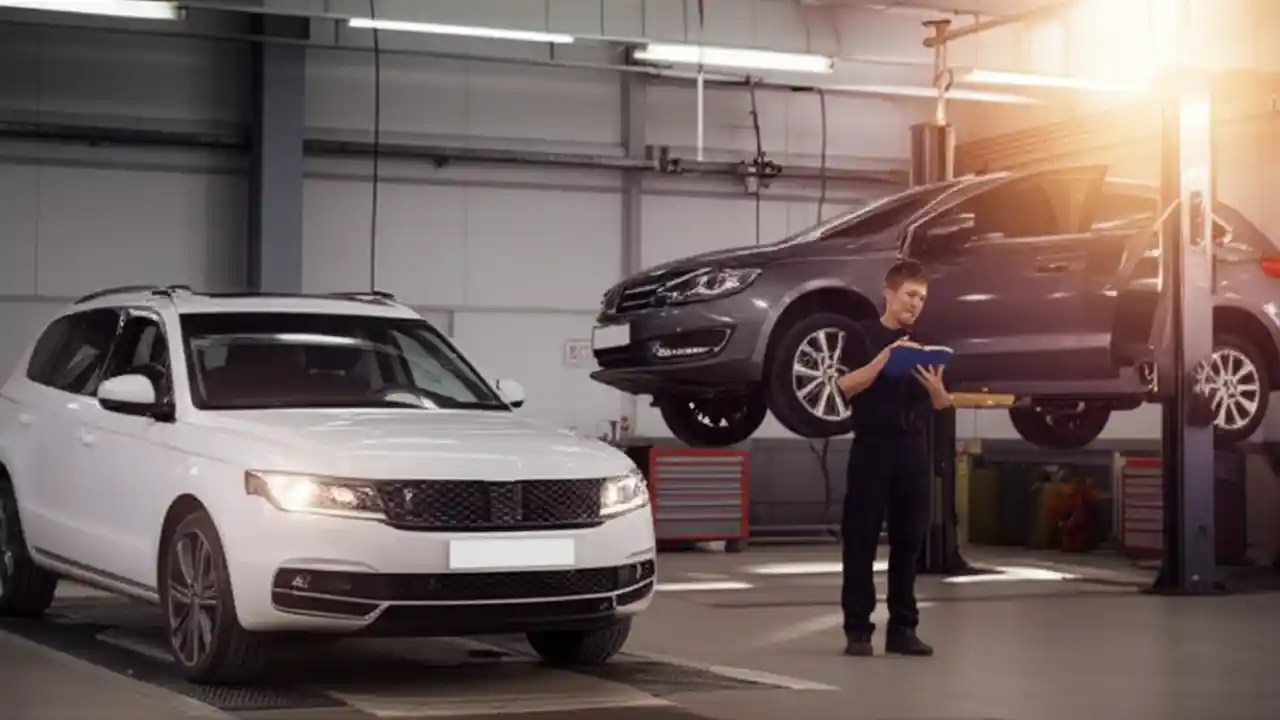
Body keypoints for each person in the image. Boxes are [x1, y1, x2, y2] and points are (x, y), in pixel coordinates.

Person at [834, 259, 951, 657]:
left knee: (908, 541)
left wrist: (937, 390)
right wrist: (886, 358)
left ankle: (903, 628)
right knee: (861, 538)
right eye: (909, 296)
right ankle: (858, 630)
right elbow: (846, 386)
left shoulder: (927, 342)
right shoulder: (861, 335)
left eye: (921, 298)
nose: (916, 304)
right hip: (871, 447)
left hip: (912, 448)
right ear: (889, 293)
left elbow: (941, 403)